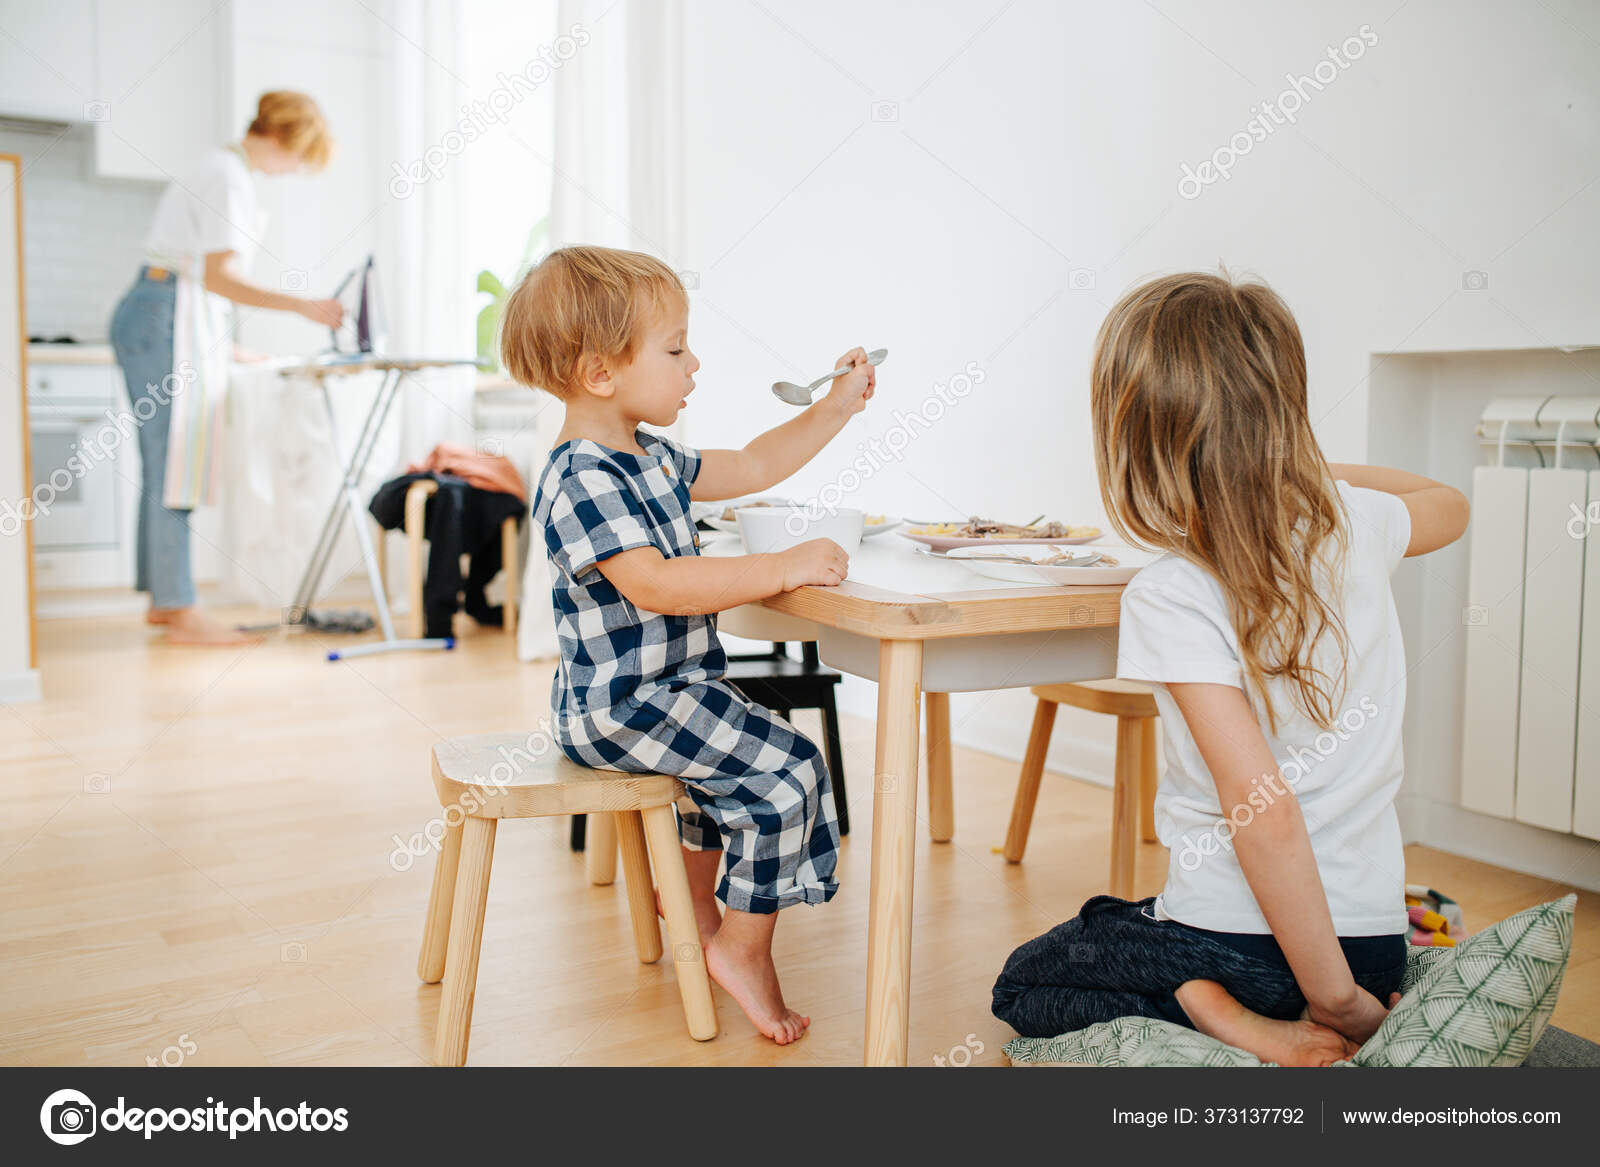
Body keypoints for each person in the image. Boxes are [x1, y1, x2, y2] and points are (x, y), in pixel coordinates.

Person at [991, 271, 1470, 1065]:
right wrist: (1308, 469)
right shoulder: (1358, 526)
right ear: (1285, 412)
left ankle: (1227, 1018)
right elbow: (1448, 500)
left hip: (1248, 952)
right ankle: (1224, 996)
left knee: (1026, 982)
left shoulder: (1171, 590)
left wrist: (1331, 1002)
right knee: (1124, 914)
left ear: (1138, 434)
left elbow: (1266, 813)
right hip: (1372, 944)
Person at [503, 245, 875, 1043]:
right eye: (675, 349)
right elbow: (659, 585)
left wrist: (836, 407)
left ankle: (697, 906)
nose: (693, 363)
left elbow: (751, 462)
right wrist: (778, 563)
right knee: (788, 771)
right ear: (601, 372)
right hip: (623, 706)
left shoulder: (652, 457)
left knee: (745, 760)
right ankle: (741, 949)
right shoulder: (583, 475)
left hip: (669, 694)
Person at [109, 90, 343, 644]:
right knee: (173, 466)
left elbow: (196, 279)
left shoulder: (219, 168)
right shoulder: (230, 177)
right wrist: (301, 305)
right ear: (287, 141)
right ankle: (180, 608)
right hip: (164, 314)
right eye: (299, 160)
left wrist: (223, 348)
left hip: (165, 314)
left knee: (163, 463)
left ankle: (165, 605)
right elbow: (217, 278)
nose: (290, 173)